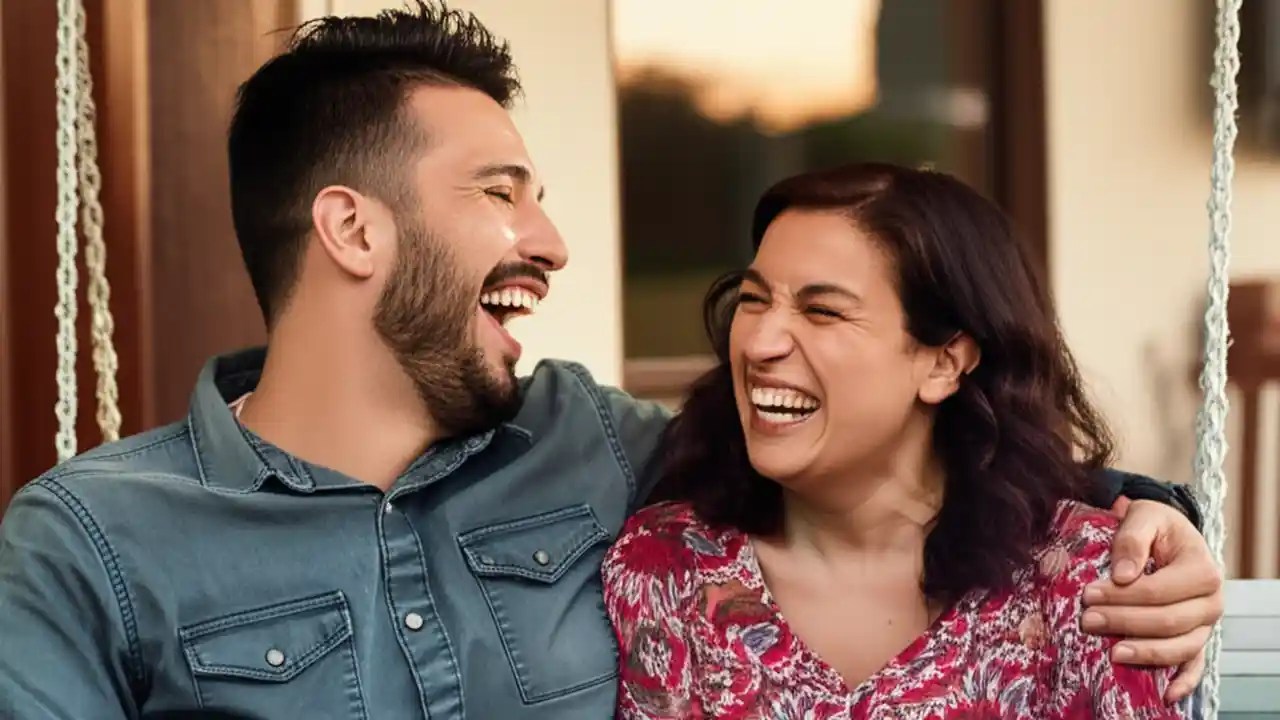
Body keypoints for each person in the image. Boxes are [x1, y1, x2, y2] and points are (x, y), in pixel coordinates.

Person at [0, 3, 1219, 719]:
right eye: (500, 194)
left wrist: (1150, 524)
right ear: (352, 229)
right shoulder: (91, 543)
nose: (551, 242)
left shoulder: (595, 448)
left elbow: (883, 465)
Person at [603, 163, 1199, 718]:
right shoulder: (667, 568)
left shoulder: (1089, 584)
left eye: (823, 312)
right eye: (754, 300)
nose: (759, 344)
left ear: (943, 363)